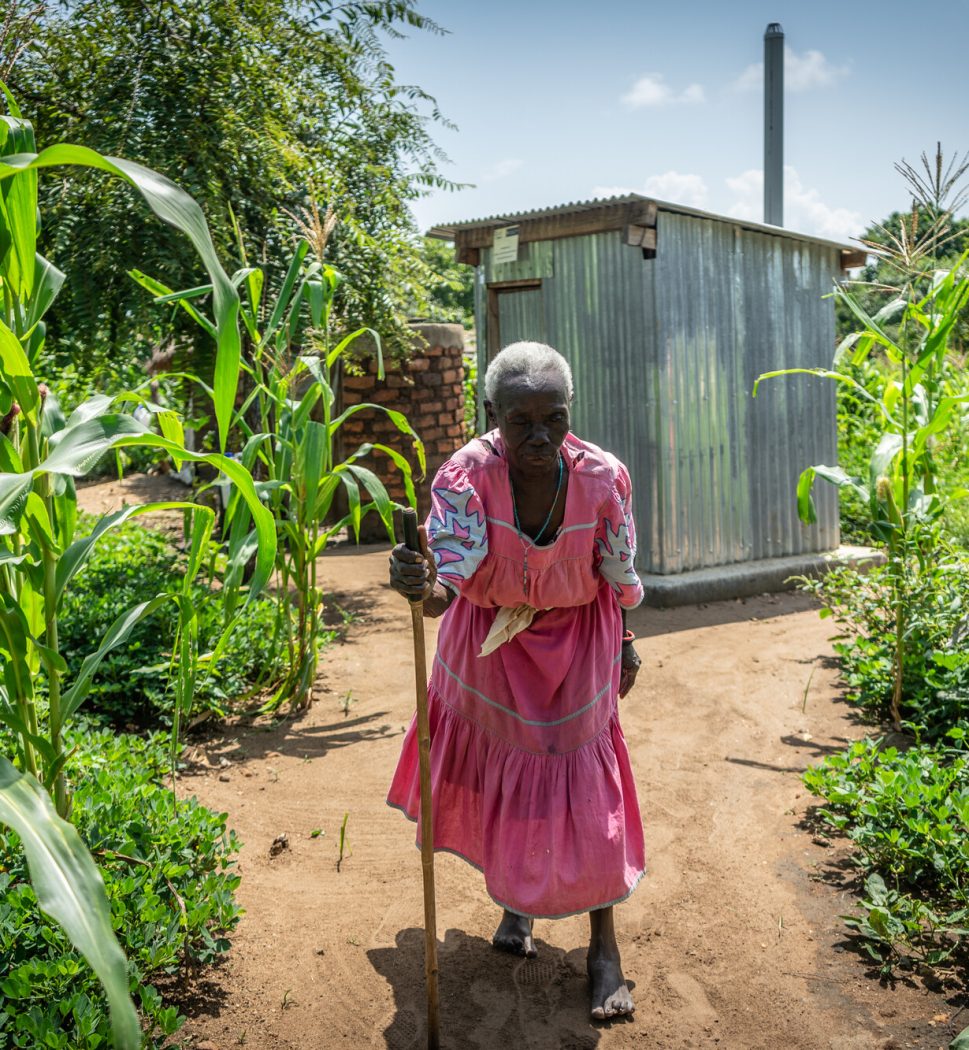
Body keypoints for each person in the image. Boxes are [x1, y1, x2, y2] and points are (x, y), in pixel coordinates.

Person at [387, 340, 645, 1021]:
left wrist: (624, 643)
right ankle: (517, 906)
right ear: (489, 416)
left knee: (584, 790)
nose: (538, 437)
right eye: (518, 422)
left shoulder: (602, 479)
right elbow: (448, 582)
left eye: (553, 419)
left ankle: (603, 952)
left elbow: (616, 574)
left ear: (569, 415)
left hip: (576, 645)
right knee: (509, 777)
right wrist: (418, 580)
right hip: (488, 646)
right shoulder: (464, 478)